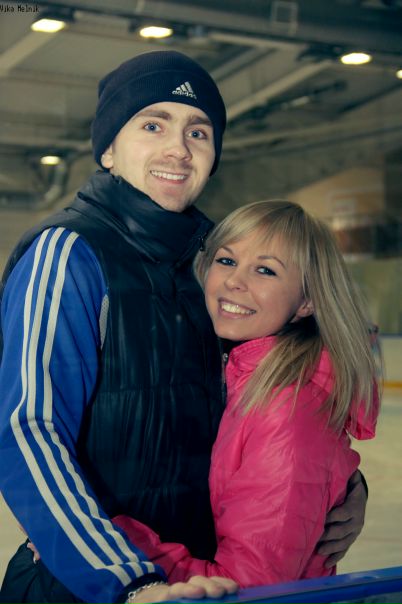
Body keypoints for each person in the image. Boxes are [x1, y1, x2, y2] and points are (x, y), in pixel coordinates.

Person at [0, 50, 367, 604]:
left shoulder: (207, 266)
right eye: (153, 125)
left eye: (198, 132)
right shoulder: (70, 252)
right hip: (93, 586)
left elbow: (257, 402)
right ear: (108, 149)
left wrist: (342, 489)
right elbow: (28, 430)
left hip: (200, 581)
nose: (178, 148)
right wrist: (128, 580)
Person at [113, 200, 381, 587]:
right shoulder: (225, 368)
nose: (234, 281)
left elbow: (250, 584)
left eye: (265, 270)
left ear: (306, 301)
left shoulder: (286, 411)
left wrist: (108, 542)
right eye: (226, 261)